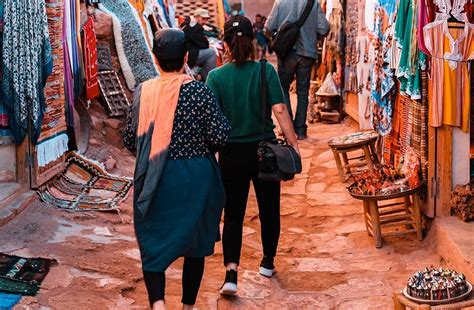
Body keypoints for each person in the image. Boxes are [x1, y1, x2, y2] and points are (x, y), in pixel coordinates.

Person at [124, 29, 231, 310]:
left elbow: (129, 139)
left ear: (156, 60)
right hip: (195, 177)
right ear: (185, 57)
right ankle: (187, 307)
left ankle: (158, 305)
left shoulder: (143, 93)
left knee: (153, 239)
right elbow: (220, 136)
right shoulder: (199, 91)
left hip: (155, 177)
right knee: (195, 244)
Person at [206, 15, 300, 296]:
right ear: (253, 42)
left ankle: (231, 274)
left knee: (233, 214)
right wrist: (294, 145)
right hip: (264, 151)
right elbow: (280, 110)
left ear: (225, 43)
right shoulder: (265, 71)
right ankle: (267, 263)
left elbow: (213, 120)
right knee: (269, 210)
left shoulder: (215, 77)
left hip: (231, 154)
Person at [266, 0, 330, 140]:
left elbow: (268, 27)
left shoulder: (280, 3)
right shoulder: (313, 3)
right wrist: (312, 37)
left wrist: (280, 35)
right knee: (302, 91)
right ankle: (300, 130)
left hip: (287, 53)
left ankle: (287, 129)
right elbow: (324, 28)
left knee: (283, 87)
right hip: (307, 53)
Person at [182, 8, 217, 81]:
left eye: (206, 19)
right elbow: (204, 44)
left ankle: (203, 77)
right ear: (197, 17)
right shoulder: (193, 27)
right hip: (190, 55)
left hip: (189, 53)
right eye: (203, 18)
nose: (205, 21)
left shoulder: (189, 25)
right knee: (212, 53)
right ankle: (210, 80)